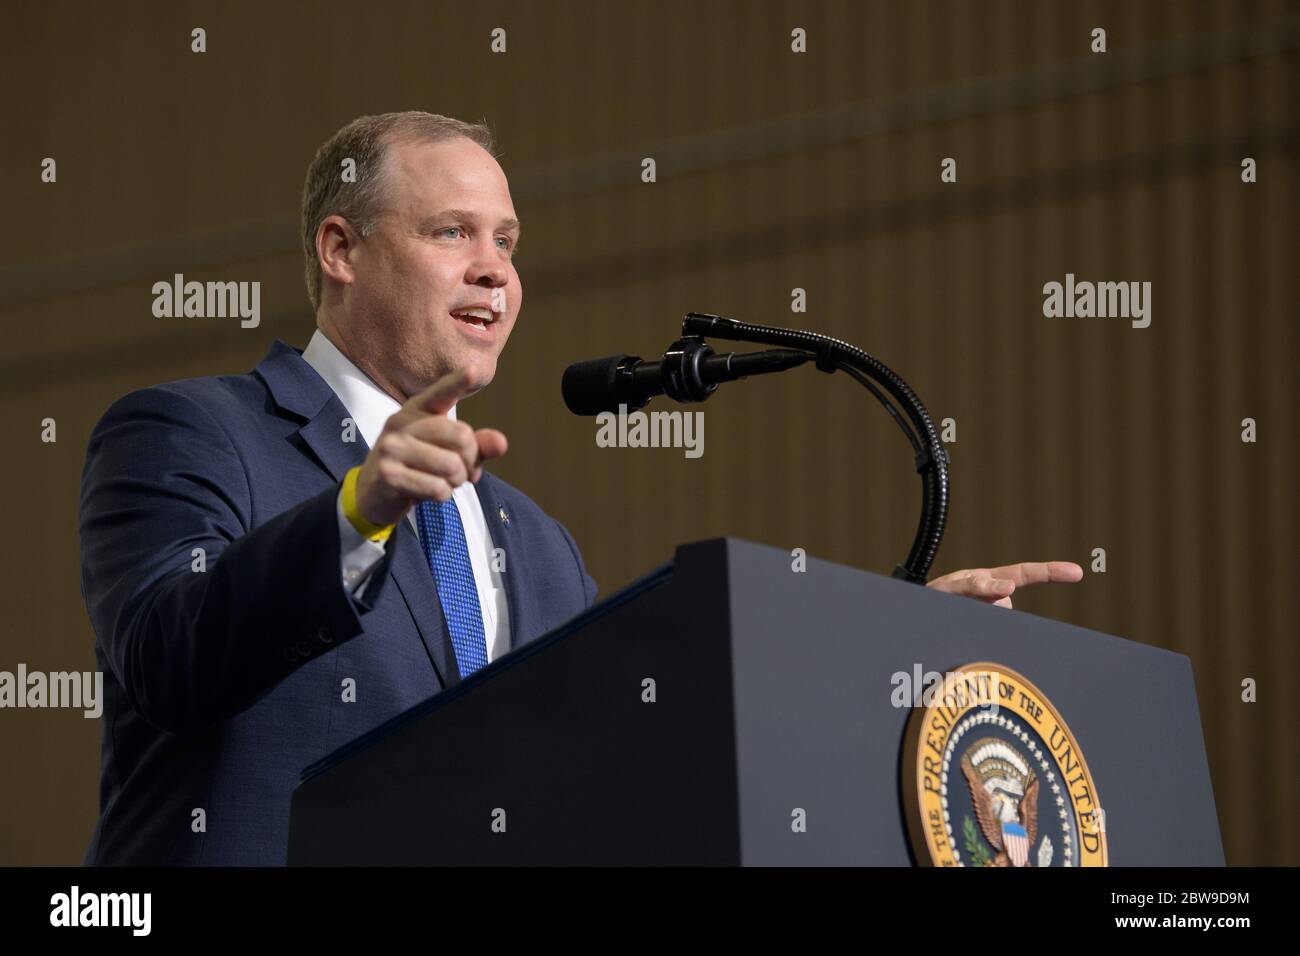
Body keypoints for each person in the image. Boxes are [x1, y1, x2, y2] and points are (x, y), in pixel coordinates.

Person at [79, 111, 1081, 866]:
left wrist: (885, 665)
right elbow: (171, 656)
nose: (494, 273)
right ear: (340, 250)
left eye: (506, 242)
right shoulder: (190, 429)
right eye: (451, 233)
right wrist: (357, 512)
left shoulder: (537, 544)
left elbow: (641, 763)